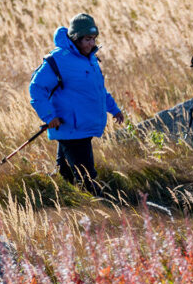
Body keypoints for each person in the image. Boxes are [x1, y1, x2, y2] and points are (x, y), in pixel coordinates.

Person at [28, 13, 124, 194]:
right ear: (75, 38)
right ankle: (100, 208)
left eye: (94, 39)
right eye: (87, 39)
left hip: (82, 126)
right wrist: (49, 116)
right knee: (87, 177)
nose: (92, 44)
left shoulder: (90, 58)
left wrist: (114, 109)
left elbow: (99, 90)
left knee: (66, 175)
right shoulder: (57, 60)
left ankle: (64, 200)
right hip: (72, 127)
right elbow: (36, 89)